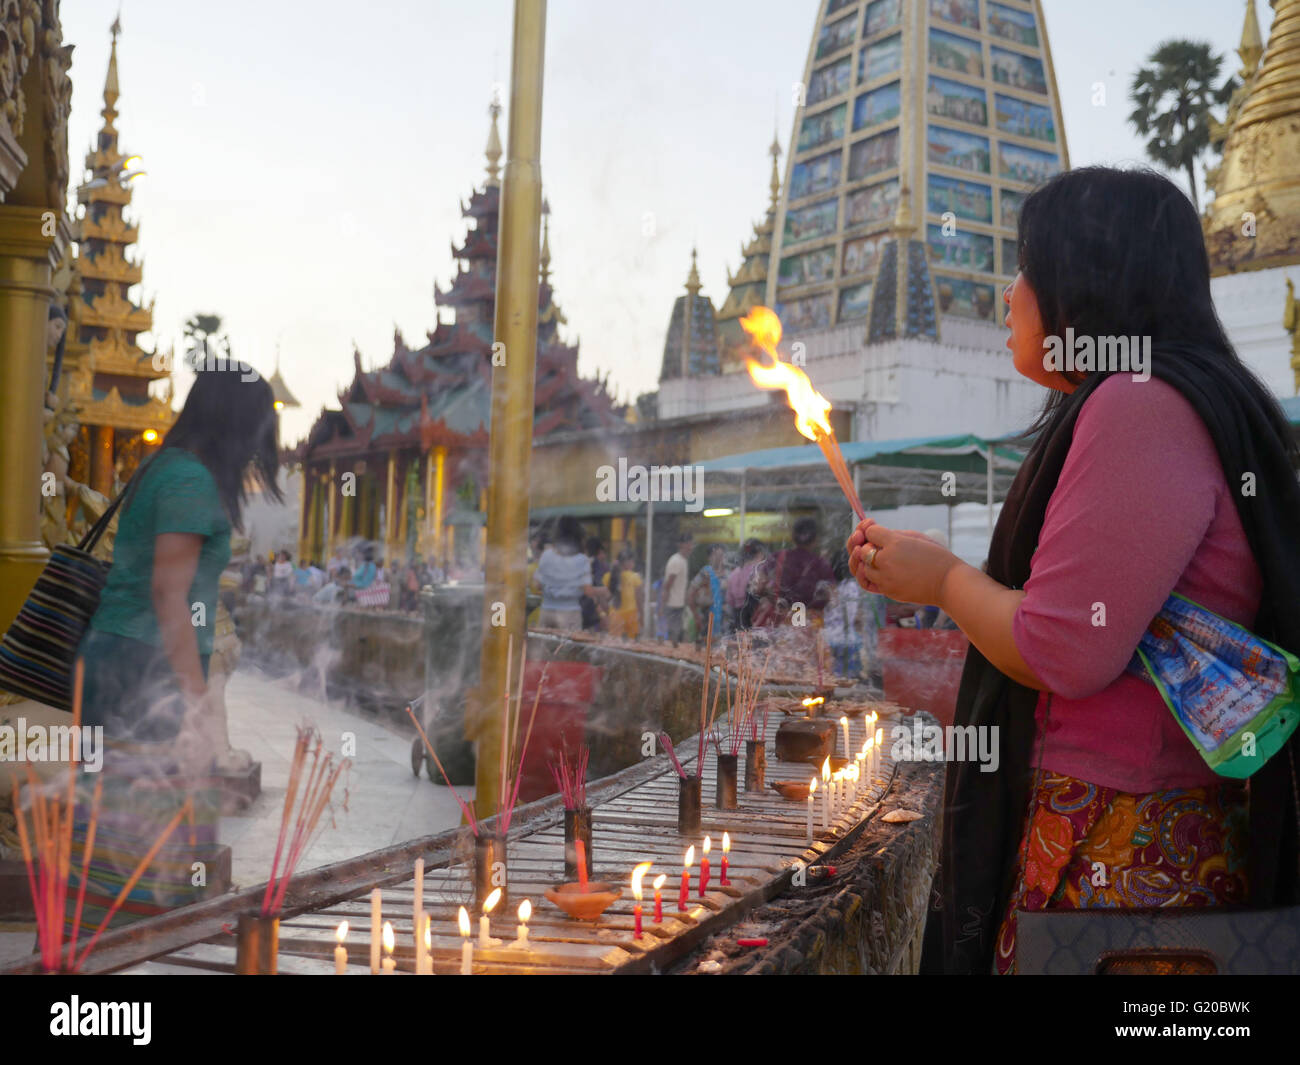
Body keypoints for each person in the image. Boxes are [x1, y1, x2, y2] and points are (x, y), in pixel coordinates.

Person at [847, 167, 1300, 975]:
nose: (1011, 294)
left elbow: (1062, 647)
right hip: (1142, 834)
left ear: (1089, 286)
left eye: (1029, 267)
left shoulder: (1140, 404)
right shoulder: (1158, 398)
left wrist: (944, 580)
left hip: (1124, 853)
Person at [74, 362, 281, 931]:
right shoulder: (190, 479)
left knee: (110, 820)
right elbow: (171, 594)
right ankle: (129, 954)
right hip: (144, 670)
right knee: (151, 829)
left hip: (116, 661)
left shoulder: (164, 466)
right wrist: (194, 703)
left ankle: (103, 950)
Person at [531, 516, 605, 631]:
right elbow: (587, 591)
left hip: (547, 611)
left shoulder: (547, 555)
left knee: (545, 647)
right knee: (569, 648)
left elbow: (537, 585)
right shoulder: (582, 560)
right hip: (570, 613)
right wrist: (603, 591)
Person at [603, 547, 644, 639]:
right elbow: (639, 600)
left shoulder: (607, 576)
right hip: (631, 616)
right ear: (627, 562)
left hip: (615, 615)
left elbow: (605, 599)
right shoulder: (635, 577)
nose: (633, 564)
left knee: (616, 646)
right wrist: (641, 616)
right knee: (631, 646)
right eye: (632, 561)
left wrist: (604, 615)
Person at [687, 544, 726, 643]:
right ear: (710, 557)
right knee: (705, 647)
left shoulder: (726, 574)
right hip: (706, 618)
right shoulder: (705, 572)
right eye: (716, 555)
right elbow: (691, 592)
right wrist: (696, 616)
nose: (719, 558)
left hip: (722, 621)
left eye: (721, 555)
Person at [660, 533, 693, 644]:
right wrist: (662, 605)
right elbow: (668, 583)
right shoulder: (676, 560)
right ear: (682, 545)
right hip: (672, 605)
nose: (690, 547)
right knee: (674, 636)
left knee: (679, 635)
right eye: (688, 544)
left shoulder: (683, 560)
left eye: (691, 543)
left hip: (679, 604)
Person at [726, 539, 765, 631]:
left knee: (740, 643)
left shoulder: (734, 574)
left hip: (738, 620)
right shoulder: (760, 571)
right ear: (759, 553)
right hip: (756, 620)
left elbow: (730, 601)